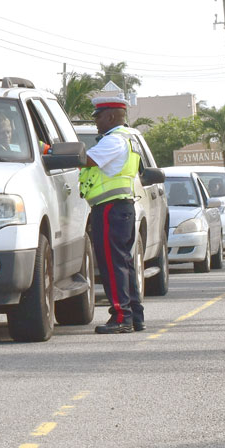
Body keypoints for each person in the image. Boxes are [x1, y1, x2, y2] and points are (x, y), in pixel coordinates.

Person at [80, 95, 145, 334]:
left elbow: (85, 160)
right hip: (121, 207)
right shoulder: (129, 139)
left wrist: (50, 151)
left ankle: (121, 317)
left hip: (110, 208)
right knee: (124, 263)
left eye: (98, 117)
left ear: (110, 116)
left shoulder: (113, 141)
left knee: (112, 264)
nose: (97, 123)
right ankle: (134, 315)